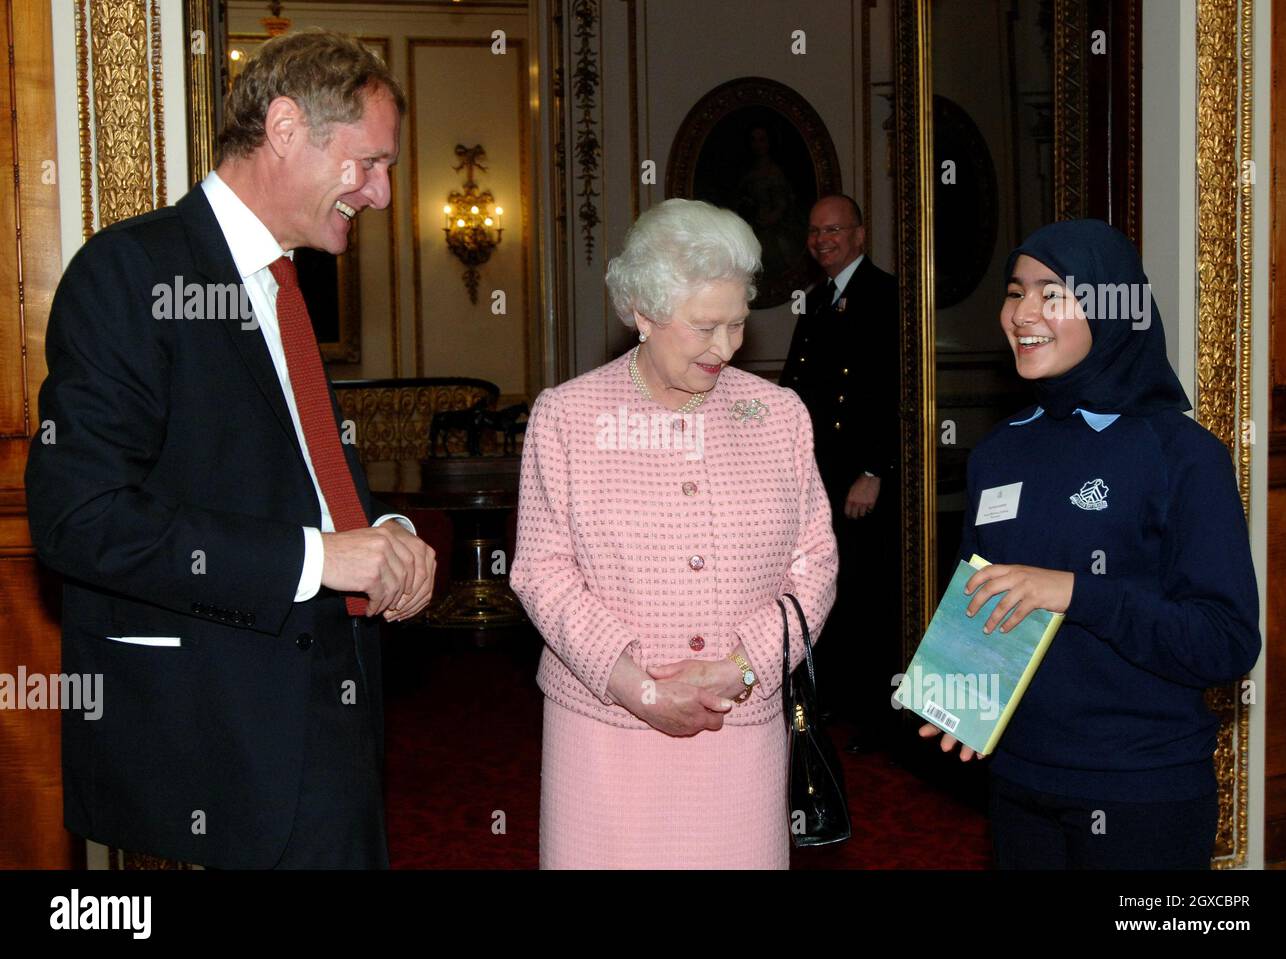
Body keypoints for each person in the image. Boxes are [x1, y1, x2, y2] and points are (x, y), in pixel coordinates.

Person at [24, 31, 437, 869]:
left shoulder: (282, 282)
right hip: (214, 746)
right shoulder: (130, 272)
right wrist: (320, 559)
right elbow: (81, 519)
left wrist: (382, 534)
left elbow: (295, 477)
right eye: (369, 162)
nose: (384, 194)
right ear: (286, 128)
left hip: (330, 717)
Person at [920, 218, 1261, 869]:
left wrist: (1076, 591)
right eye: (1015, 291)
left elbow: (1226, 641)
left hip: (1142, 792)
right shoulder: (999, 452)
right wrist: (961, 689)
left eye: (1052, 293)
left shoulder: (1183, 455)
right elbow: (985, 600)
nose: (1022, 313)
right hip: (1019, 783)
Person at [510, 198, 838, 869]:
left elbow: (817, 563)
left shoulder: (777, 415)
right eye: (705, 327)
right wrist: (638, 685)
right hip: (605, 732)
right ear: (643, 312)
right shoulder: (568, 416)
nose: (726, 347)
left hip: (738, 728)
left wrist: (741, 666)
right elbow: (540, 571)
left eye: (739, 324)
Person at [781, 194, 900, 752]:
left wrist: (875, 469)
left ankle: (877, 717)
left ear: (859, 236)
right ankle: (831, 697)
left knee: (868, 592)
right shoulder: (813, 299)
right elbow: (796, 386)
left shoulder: (886, 294)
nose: (822, 239)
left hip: (861, 474)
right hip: (818, 472)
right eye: (814, 231)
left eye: (834, 229)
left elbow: (894, 391)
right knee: (825, 585)